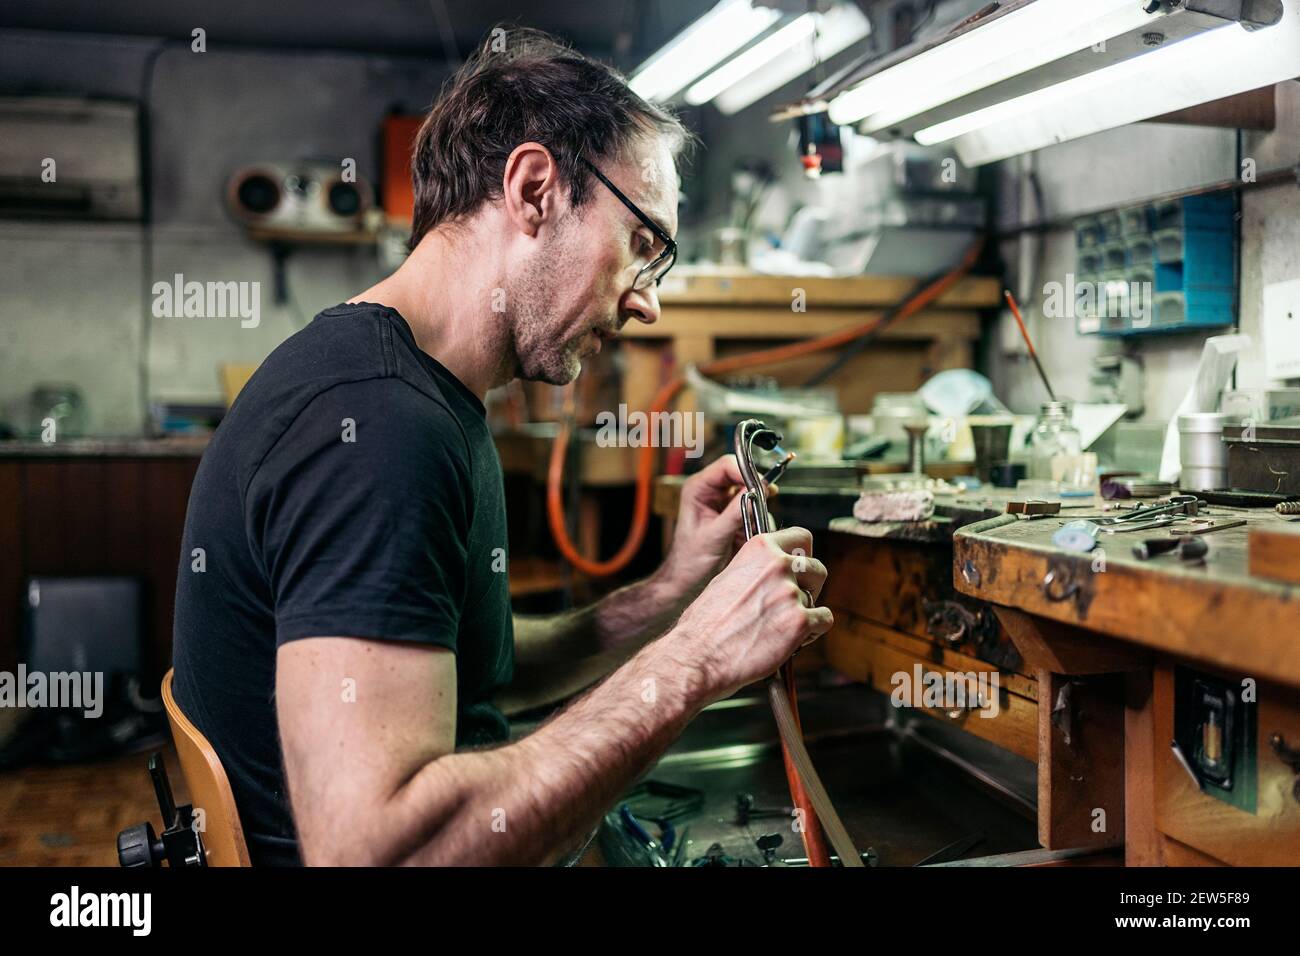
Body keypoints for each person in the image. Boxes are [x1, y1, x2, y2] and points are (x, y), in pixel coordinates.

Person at [172, 27, 832, 866]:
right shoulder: (378, 429)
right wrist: (695, 660)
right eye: (643, 247)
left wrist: (667, 595)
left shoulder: (415, 391)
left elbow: (475, 664)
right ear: (533, 190)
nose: (648, 307)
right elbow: (380, 853)